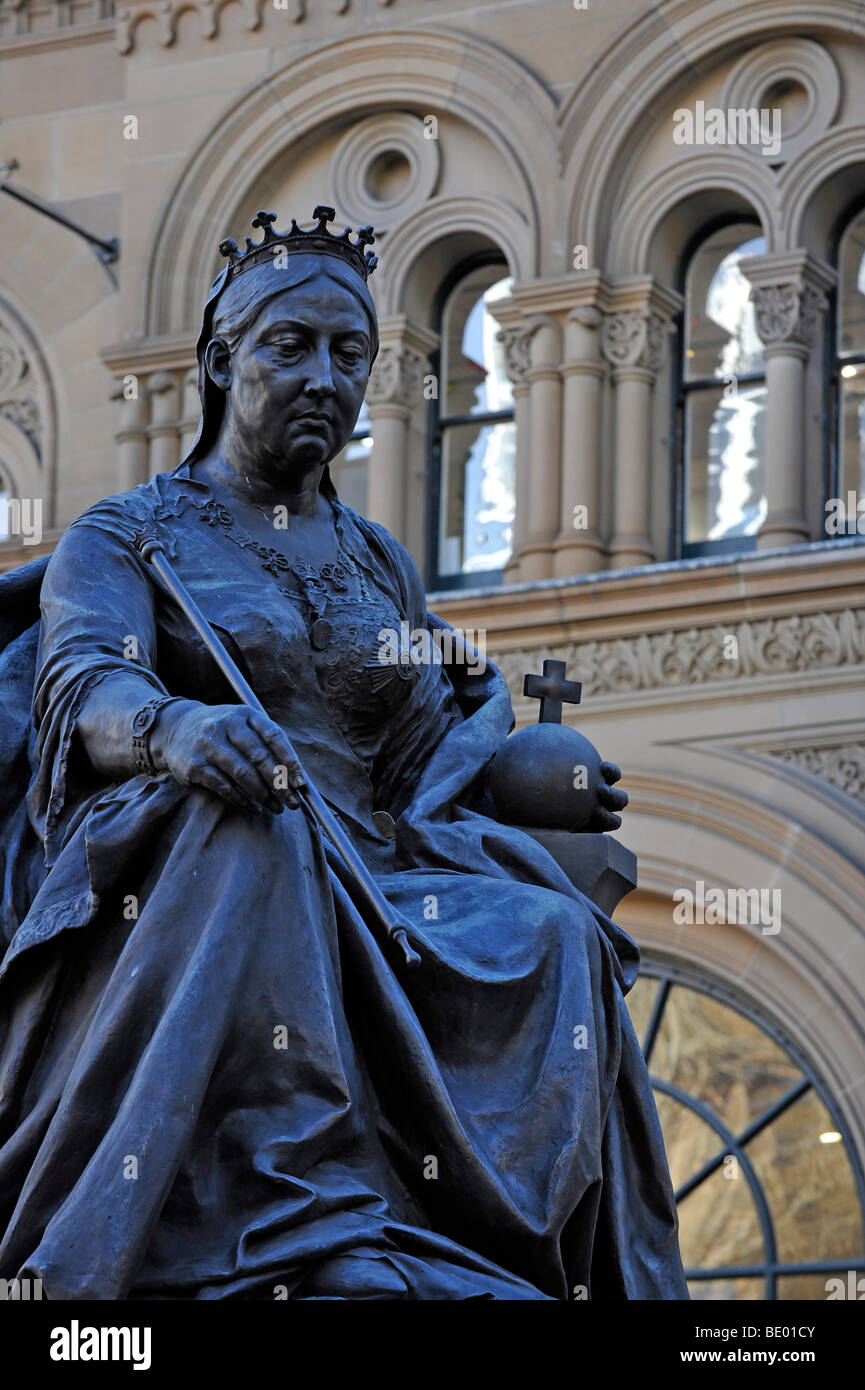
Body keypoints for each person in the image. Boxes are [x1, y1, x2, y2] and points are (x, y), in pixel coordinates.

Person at [0, 207, 687, 1300]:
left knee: (556, 928)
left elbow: (424, 756)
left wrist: (533, 772)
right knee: (255, 826)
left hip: (383, 867)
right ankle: (298, 1211)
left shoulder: (377, 559)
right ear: (223, 363)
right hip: (209, 851)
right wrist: (178, 730)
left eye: (350, 354)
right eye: (292, 347)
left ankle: (530, 1260)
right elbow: (87, 685)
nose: (325, 376)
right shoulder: (125, 532)